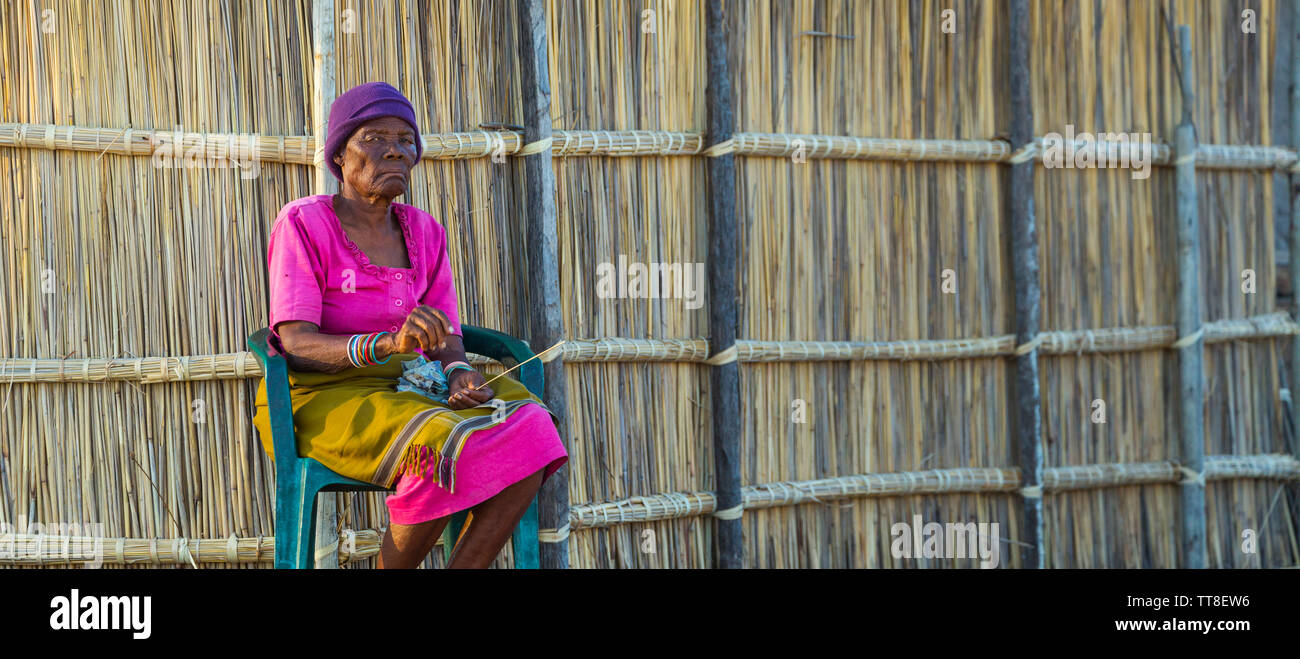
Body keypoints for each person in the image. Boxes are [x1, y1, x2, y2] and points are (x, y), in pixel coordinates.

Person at [252, 82, 567, 568]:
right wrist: (388, 343)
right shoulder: (304, 223)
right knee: (435, 445)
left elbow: (446, 331)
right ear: (339, 156)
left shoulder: (425, 230)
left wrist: (459, 371)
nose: (395, 150)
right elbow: (294, 344)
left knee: (533, 428)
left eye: (404, 139)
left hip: (411, 387)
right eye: (374, 138)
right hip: (322, 395)